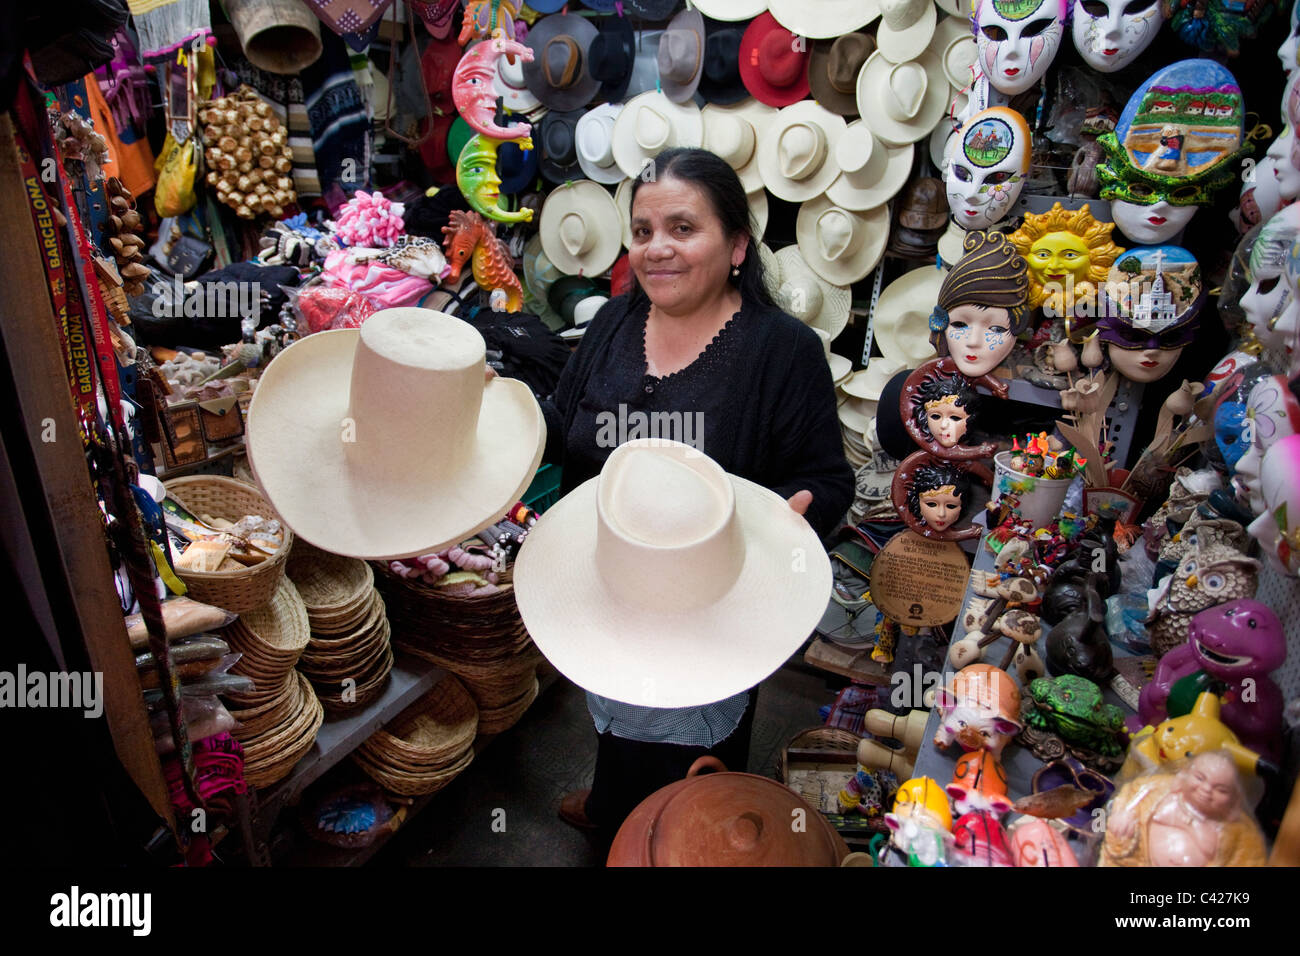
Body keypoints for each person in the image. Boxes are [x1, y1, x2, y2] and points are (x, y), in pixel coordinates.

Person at [536, 147, 854, 842]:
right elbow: (565, 423)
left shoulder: (781, 351)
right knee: (618, 713)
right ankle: (612, 807)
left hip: (712, 610)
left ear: (737, 245)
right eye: (644, 231)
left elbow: (828, 481)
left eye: (683, 228)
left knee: (689, 782)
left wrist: (793, 514)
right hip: (613, 588)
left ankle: (677, 840)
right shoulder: (615, 324)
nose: (658, 249)